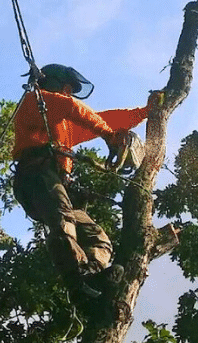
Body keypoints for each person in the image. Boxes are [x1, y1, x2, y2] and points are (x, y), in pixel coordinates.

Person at [11, 63, 151, 299]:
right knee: (62, 221)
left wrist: (146, 112)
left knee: (99, 238)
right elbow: (72, 107)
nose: (69, 94)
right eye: (66, 88)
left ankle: (94, 276)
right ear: (53, 84)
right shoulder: (35, 102)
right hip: (36, 176)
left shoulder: (63, 125)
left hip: (57, 186)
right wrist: (108, 135)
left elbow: (105, 118)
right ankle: (78, 281)